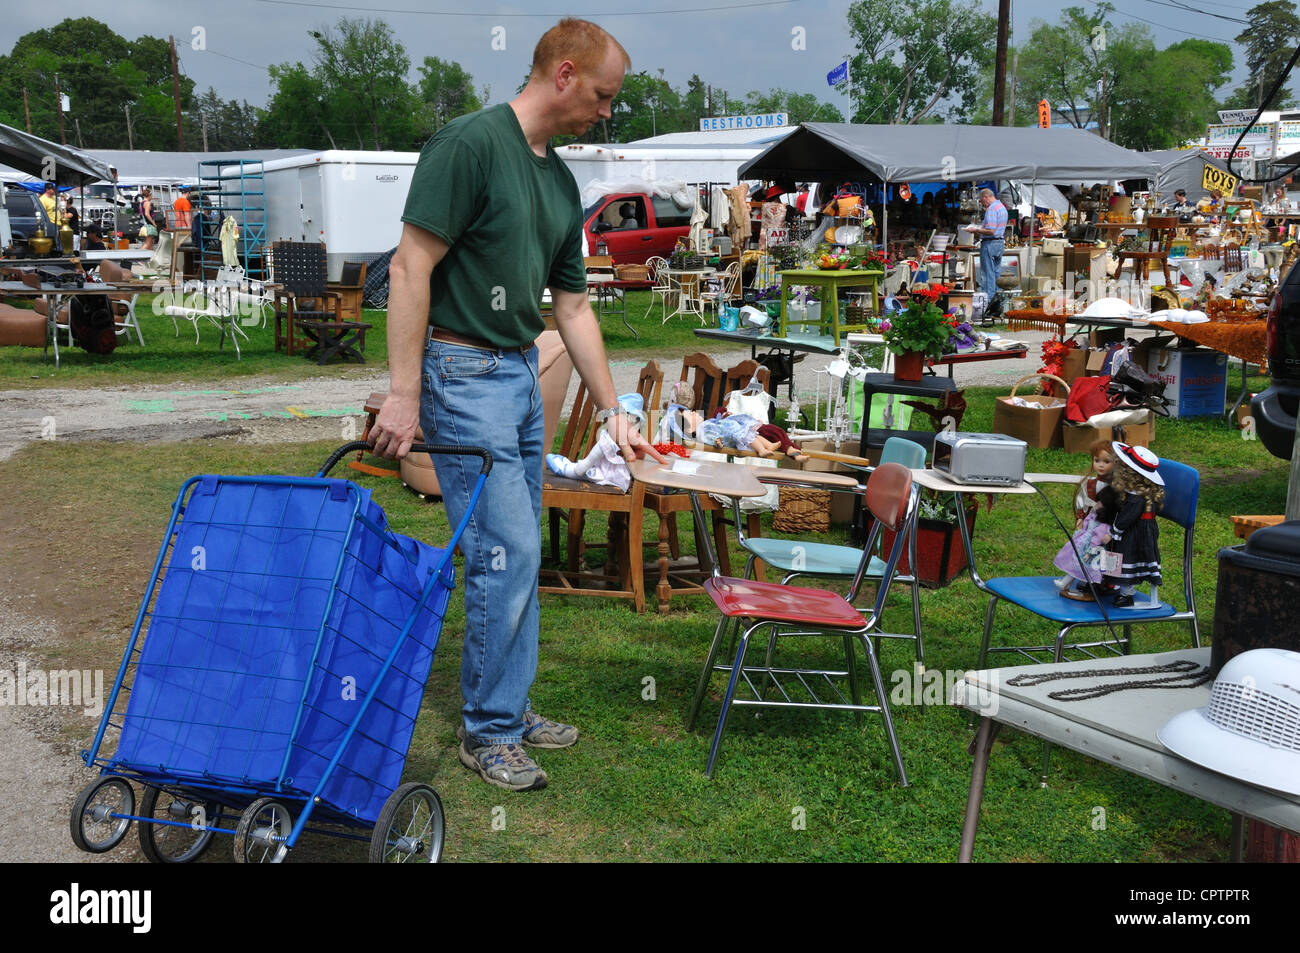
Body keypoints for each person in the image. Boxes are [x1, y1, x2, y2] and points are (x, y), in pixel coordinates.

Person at [368, 17, 666, 793]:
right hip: (461, 373)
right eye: (603, 95)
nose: (607, 111)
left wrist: (616, 409)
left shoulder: (559, 181)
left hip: (518, 372)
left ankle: (509, 703)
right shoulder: (469, 145)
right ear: (563, 74)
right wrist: (404, 396)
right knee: (506, 550)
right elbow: (409, 268)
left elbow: (573, 309)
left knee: (519, 547)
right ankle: (488, 730)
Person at [1053, 440, 1120, 600]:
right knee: (1086, 552)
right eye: (1097, 460)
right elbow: (1082, 501)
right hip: (1092, 523)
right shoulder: (1090, 483)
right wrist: (1080, 517)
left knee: (1109, 552)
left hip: (1108, 525)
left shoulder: (1117, 486)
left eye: (1106, 461)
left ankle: (1109, 582)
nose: (1100, 465)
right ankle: (1090, 580)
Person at [1102, 442, 1164, 609]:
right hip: (1133, 529)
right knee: (1116, 554)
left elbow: (1126, 518)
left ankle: (1126, 593)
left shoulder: (1137, 497)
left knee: (1126, 558)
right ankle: (1108, 582)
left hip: (1136, 533)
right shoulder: (1134, 491)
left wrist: (1113, 531)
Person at [964, 187, 1007, 299]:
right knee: (996, 273)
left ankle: (988, 303)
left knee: (988, 275)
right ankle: (998, 302)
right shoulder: (1002, 207)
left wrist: (976, 230)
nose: (982, 203)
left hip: (990, 243)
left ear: (986, 197)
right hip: (1000, 242)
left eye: (982, 200)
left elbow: (991, 230)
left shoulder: (992, 209)